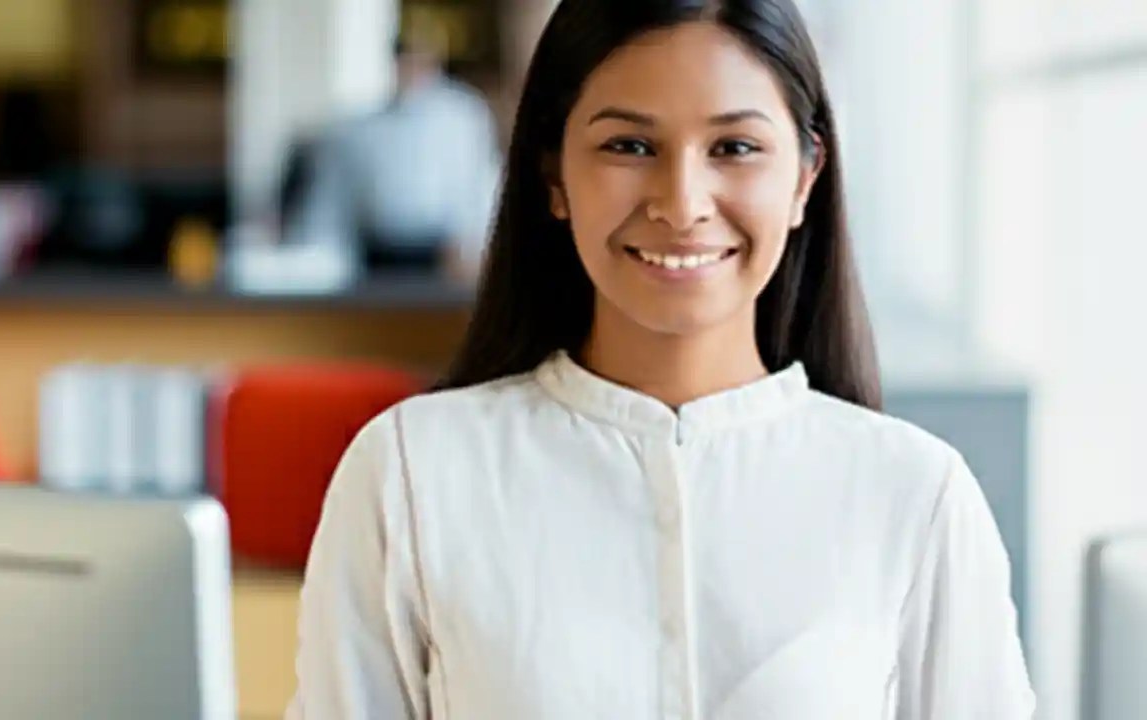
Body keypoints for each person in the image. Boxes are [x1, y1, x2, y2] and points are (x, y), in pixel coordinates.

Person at [289, 0, 1036, 718]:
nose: (682, 204)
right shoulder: (413, 472)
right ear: (554, 175)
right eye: (629, 146)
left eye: (735, 148)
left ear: (805, 177)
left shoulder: (914, 494)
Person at [283, 34, 501, 283]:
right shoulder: (362, 127)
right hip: (376, 254)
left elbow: (479, 187)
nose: (412, 70)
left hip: (442, 254)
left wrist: (472, 248)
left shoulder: (463, 117)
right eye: (405, 61)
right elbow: (333, 201)